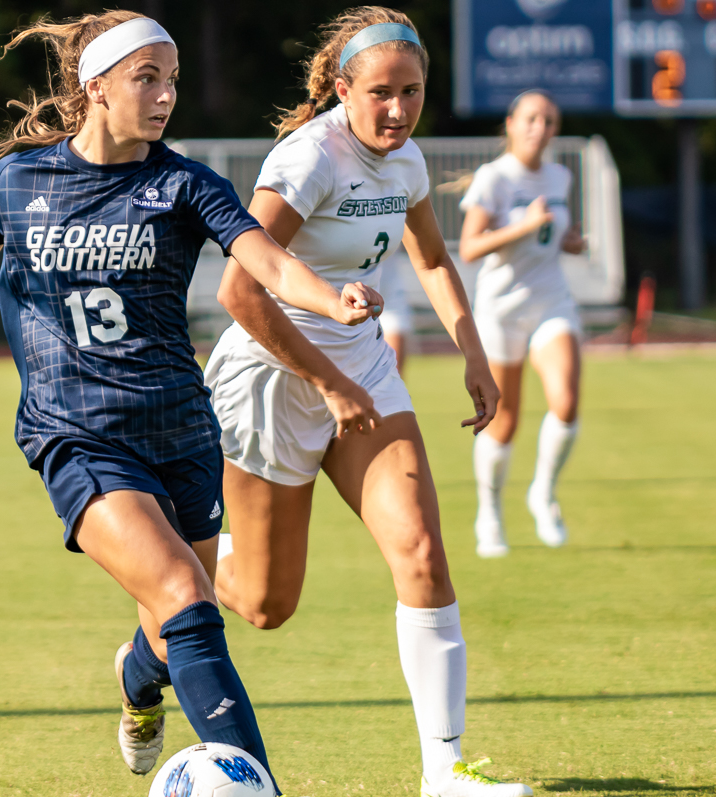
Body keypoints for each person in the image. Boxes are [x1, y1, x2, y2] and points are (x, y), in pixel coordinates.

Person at [0, 11, 385, 788]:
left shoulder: (183, 183)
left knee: (175, 615)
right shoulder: (20, 181)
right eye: (147, 77)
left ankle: (136, 679)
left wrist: (330, 298)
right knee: (185, 594)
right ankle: (258, 782)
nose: (166, 95)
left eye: (172, 79)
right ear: (95, 86)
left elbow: (268, 263)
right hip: (76, 436)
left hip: (182, 431)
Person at [205, 9, 530, 797]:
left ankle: (444, 770)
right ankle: (170, 590)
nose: (397, 110)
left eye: (412, 92)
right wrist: (327, 381)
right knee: (264, 604)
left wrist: (474, 353)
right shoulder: (310, 158)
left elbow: (434, 256)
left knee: (421, 551)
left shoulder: (409, 162)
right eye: (380, 93)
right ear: (341, 88)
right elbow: (239, 289)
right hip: (272, 379)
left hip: (363, 371)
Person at [455, 90, 586, 559]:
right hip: (500, 309)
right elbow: (469, 248)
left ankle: (543, 494)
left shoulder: (560, 175)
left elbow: (551, 232)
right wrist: (524, 227)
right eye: (531, 118)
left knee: (566, 403)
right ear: (511, 124)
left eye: (549, 120)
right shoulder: (495, 178)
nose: (539, 127)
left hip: (551, 300)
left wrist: (567, 241)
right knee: (503, 421)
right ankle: (489, 514)